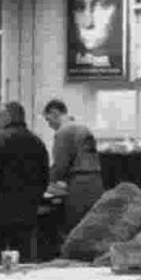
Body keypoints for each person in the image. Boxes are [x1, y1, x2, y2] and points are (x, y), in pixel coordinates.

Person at [0, 102, 50, 261]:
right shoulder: (37, 142)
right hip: (26, 212)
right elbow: (45, 177)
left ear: (8, 117)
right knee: (22, 257)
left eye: (0, 116)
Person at [43, 98, 106, 232]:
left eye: (48, 120)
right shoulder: (85, 129)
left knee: (77, 230)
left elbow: (60, 167)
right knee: (93, 229)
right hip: (97, 182)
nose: (49, 124)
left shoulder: (63, 132)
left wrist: (42, 180)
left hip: (79, 186)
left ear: (55, 113)